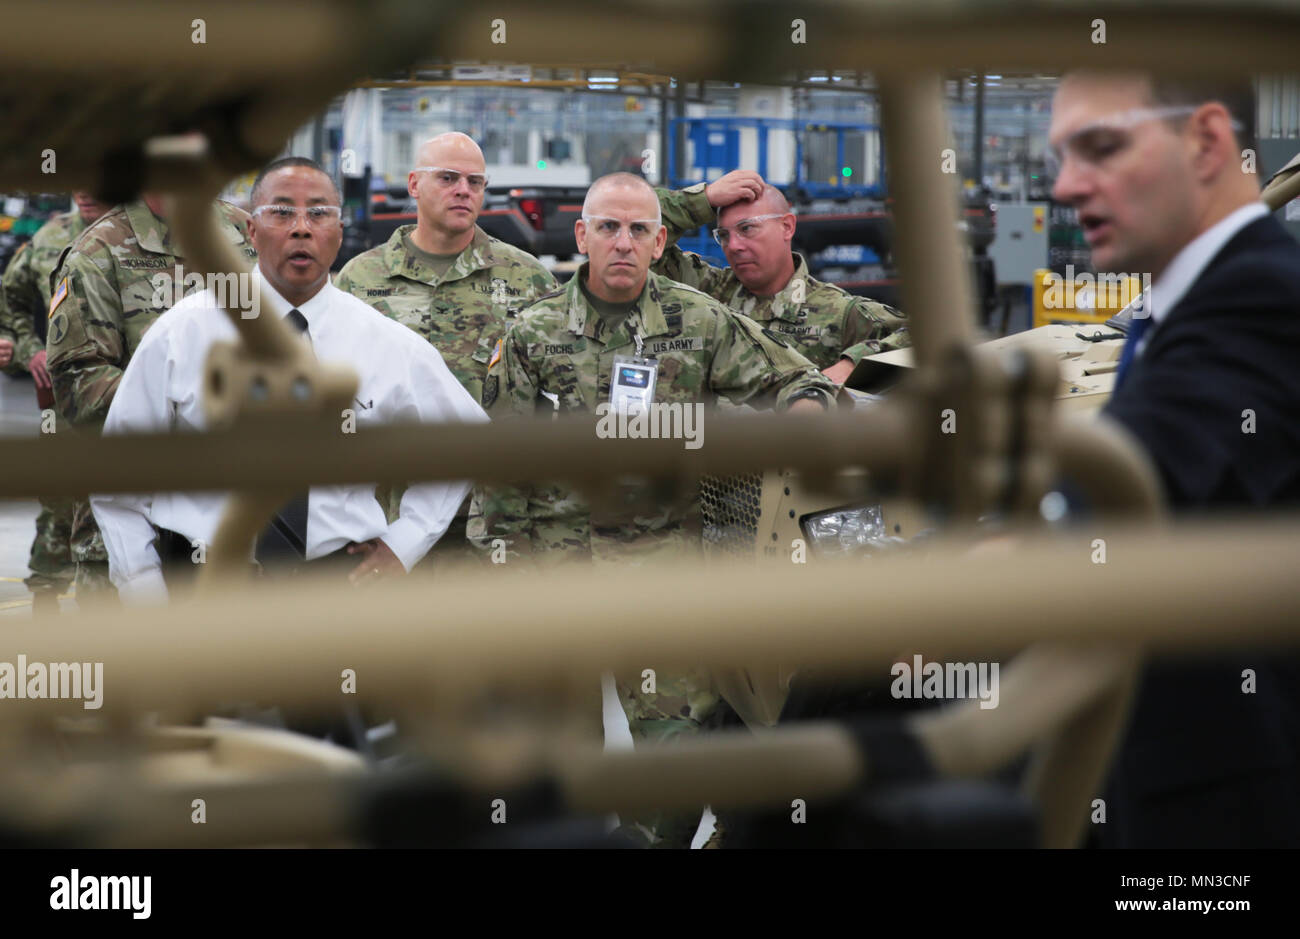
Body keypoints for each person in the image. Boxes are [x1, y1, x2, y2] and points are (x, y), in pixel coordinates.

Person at [474, 172, 835, 846]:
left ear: (659, 240)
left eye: (639, 229)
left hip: (662, 568)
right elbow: (499, 474)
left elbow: (796, 375)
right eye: (607, 227)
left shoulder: (695, 321)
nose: (622, 242)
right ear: (581, 236)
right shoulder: (533, 332)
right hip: (559, 571)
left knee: (676, 759)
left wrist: (807, 411)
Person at [1049, 70, 1300, 847]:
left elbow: (1120, 498)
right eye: (1061, 155)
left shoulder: (1258, 298)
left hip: (1226, 801)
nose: (1063, 186)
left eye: (1101, 147)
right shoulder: (1183, 301)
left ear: (1207, 142)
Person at [91, 157, 487, 605]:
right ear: (252, 233)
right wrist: (144, 592)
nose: (302, 228)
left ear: (339, 232)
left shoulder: (388, 344)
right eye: (281, 212)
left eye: (319, 213)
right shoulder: (184, 332)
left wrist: (404, 545)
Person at [335, 132, 557, 565]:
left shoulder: (527, 279)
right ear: (414, 185)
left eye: (475, 182)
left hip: (494, 517)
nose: (464, 190)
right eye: (449, 178)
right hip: (388, 518)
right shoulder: (360, 280)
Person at [46, 194, 255, 605]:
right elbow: (78, 382)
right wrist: (187, 415)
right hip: (127, 520)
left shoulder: (250, 236)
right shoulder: (99, 251)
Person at [654, 171, 908, 383]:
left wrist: (852, 364)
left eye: (747, 229)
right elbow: (633, 236)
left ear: (787, 227)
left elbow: (926, 339)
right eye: (724, 235)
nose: (734, 246)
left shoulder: (837, 312)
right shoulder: (707, 292)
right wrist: (702, 200)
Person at [0, 192, 111, 614]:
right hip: (65, 398)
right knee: (59, 498)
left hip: (130, 392)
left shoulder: (149, 235)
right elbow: (10, 298)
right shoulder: (51, 237)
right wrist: (30, 349)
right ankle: (47, 591)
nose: (85, 191)